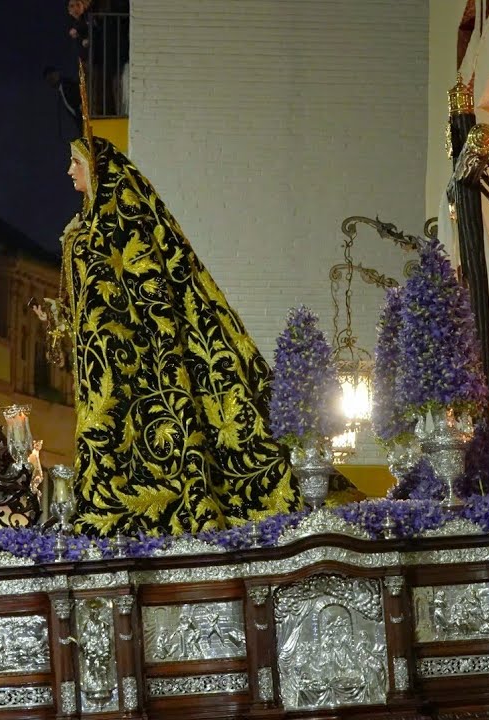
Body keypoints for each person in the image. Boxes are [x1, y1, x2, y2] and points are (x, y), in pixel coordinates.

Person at [50, 76, 297, 536]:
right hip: (101, 364)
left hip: (136, 360)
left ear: (97, 170)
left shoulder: (121, 224)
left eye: (75, 163)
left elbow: (147, 289)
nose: (68, 172)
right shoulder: (86, 227)